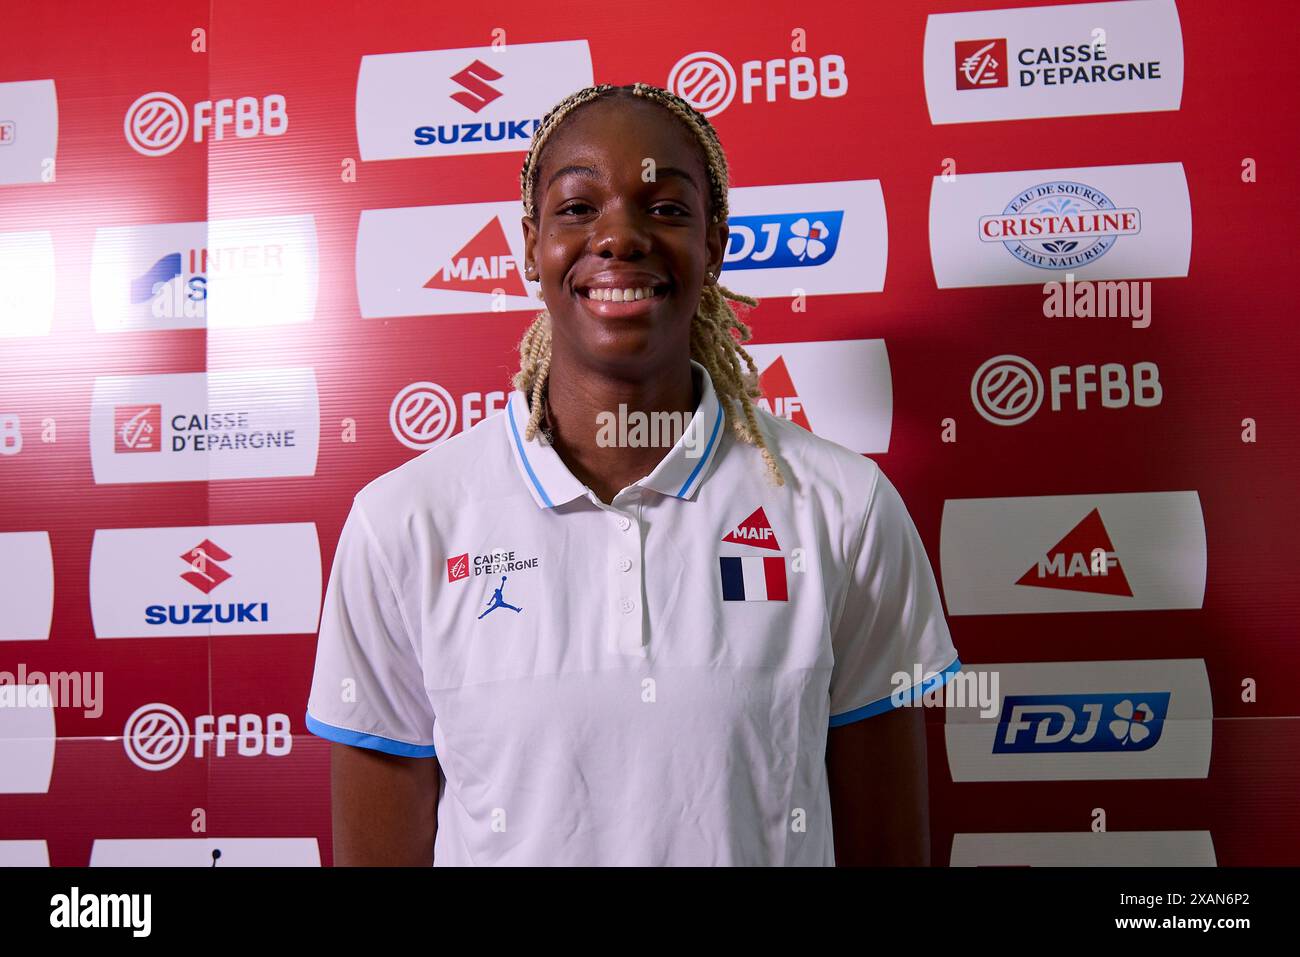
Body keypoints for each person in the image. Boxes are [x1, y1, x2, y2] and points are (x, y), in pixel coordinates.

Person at [305, 82, 961, 866]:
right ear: (530, 244)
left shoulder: (844, 510)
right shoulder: (405, 521)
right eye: (578, 208)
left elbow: (887, 847)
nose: (619, 236)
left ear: (715, 244)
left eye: (666, 207)